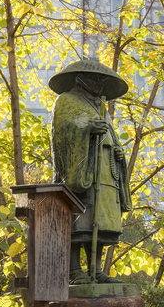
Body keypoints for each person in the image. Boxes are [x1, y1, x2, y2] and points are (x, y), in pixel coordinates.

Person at [50, 60, 132, 284]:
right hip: (82, 170)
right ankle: (75, 271)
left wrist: (118, 152)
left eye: (102, 80)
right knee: (79, 221)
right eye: (96, 78)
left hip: (105, 171)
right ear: (80, 78)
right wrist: (87, 130)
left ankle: (96, 270)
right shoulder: (67, 100)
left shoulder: (100, 106)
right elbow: (63, 130)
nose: (99, 83)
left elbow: (111, 137)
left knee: (100, 221)